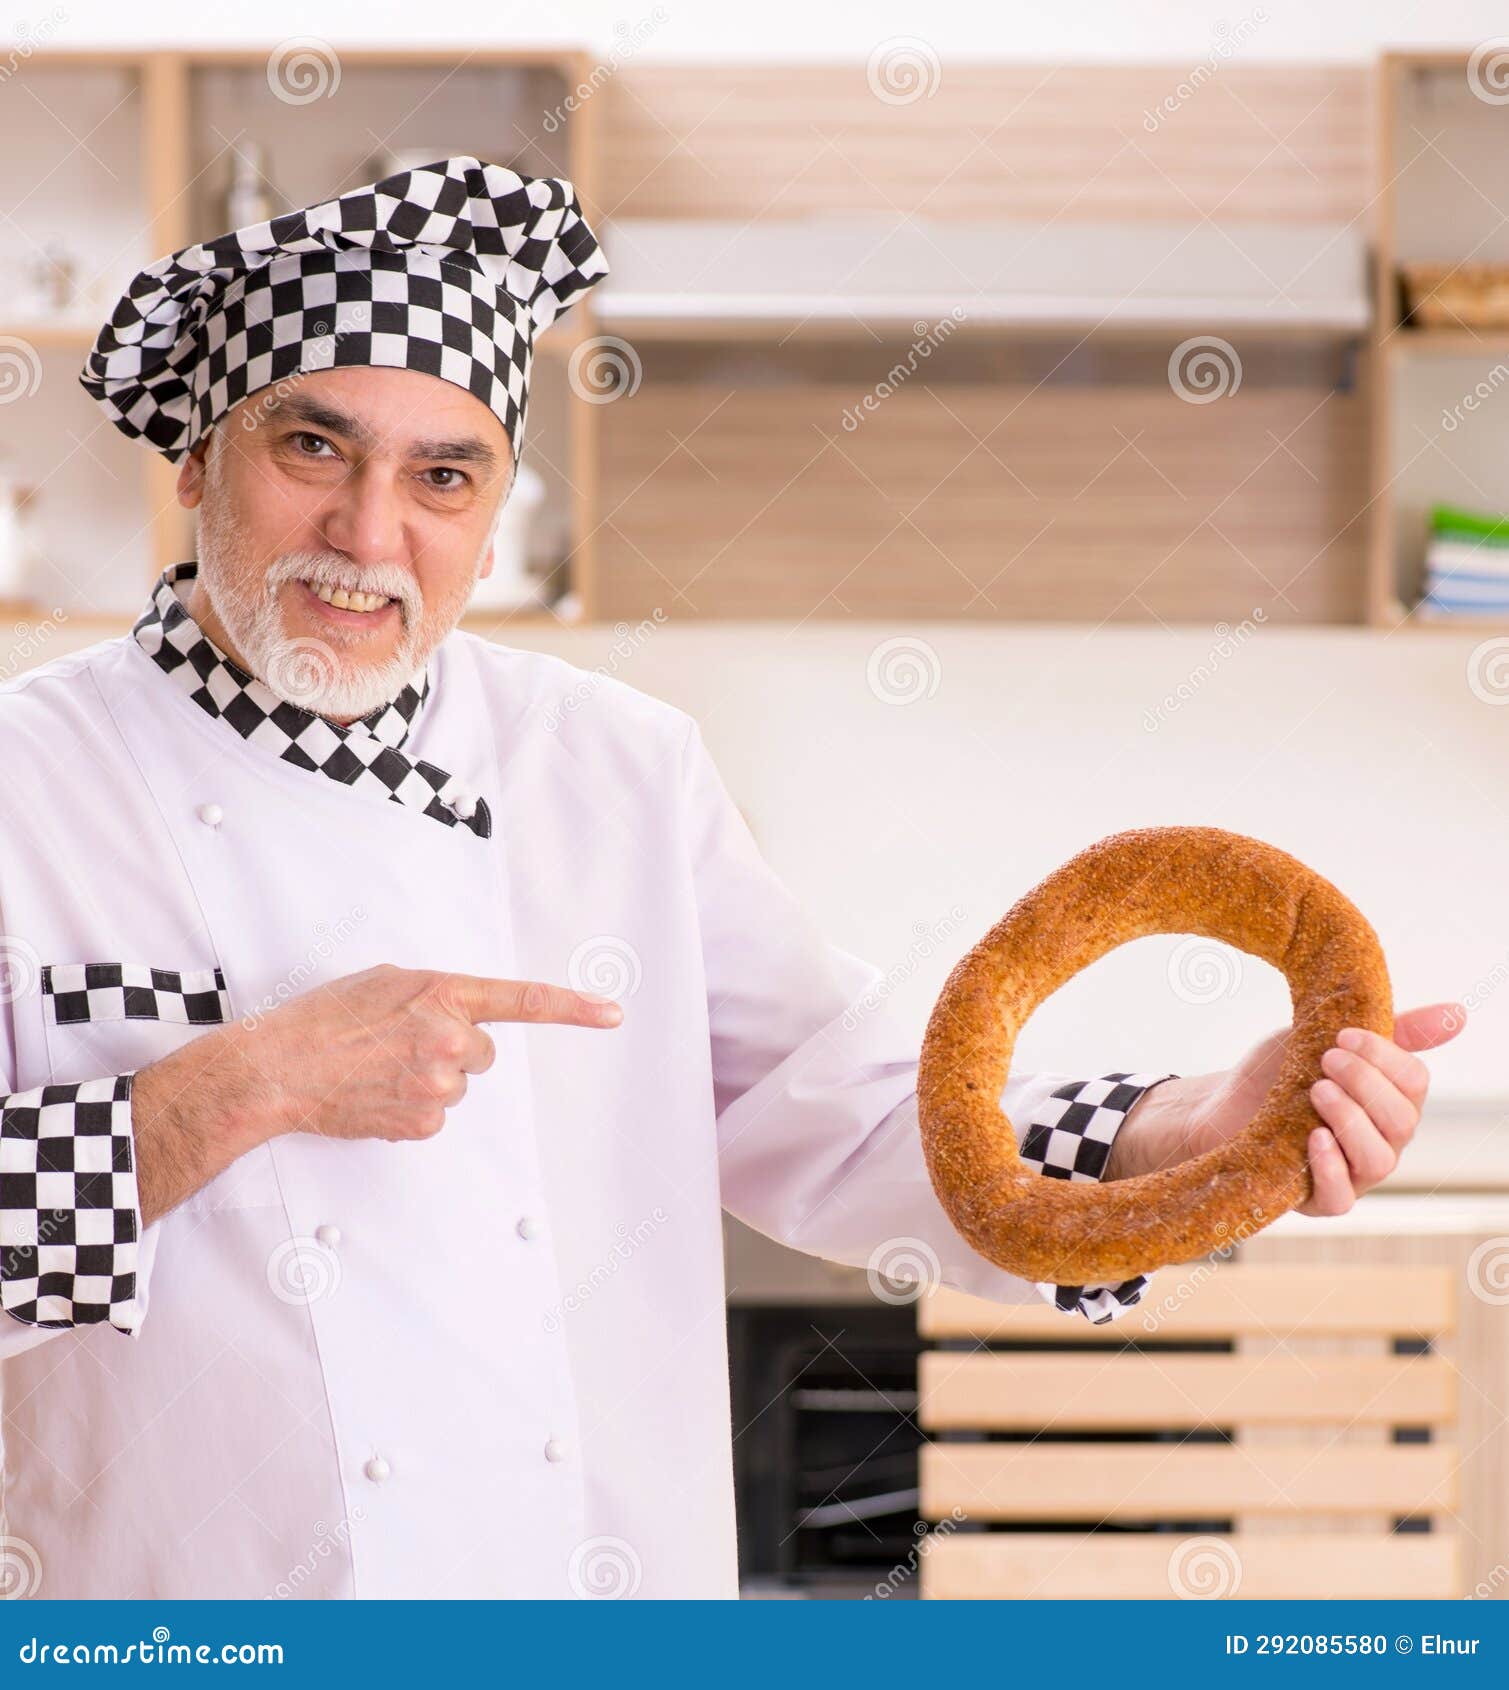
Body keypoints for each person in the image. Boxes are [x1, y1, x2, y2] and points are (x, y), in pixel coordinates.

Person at [0, 158, 1460, 1599]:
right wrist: (230, 1088)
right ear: (194, 456)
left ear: (494, 510)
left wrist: (1188, 1128)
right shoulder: (30, 782)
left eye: (442, 475)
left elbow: (861, 1124)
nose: (372, 533)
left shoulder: (615, 770)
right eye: (312, 449)